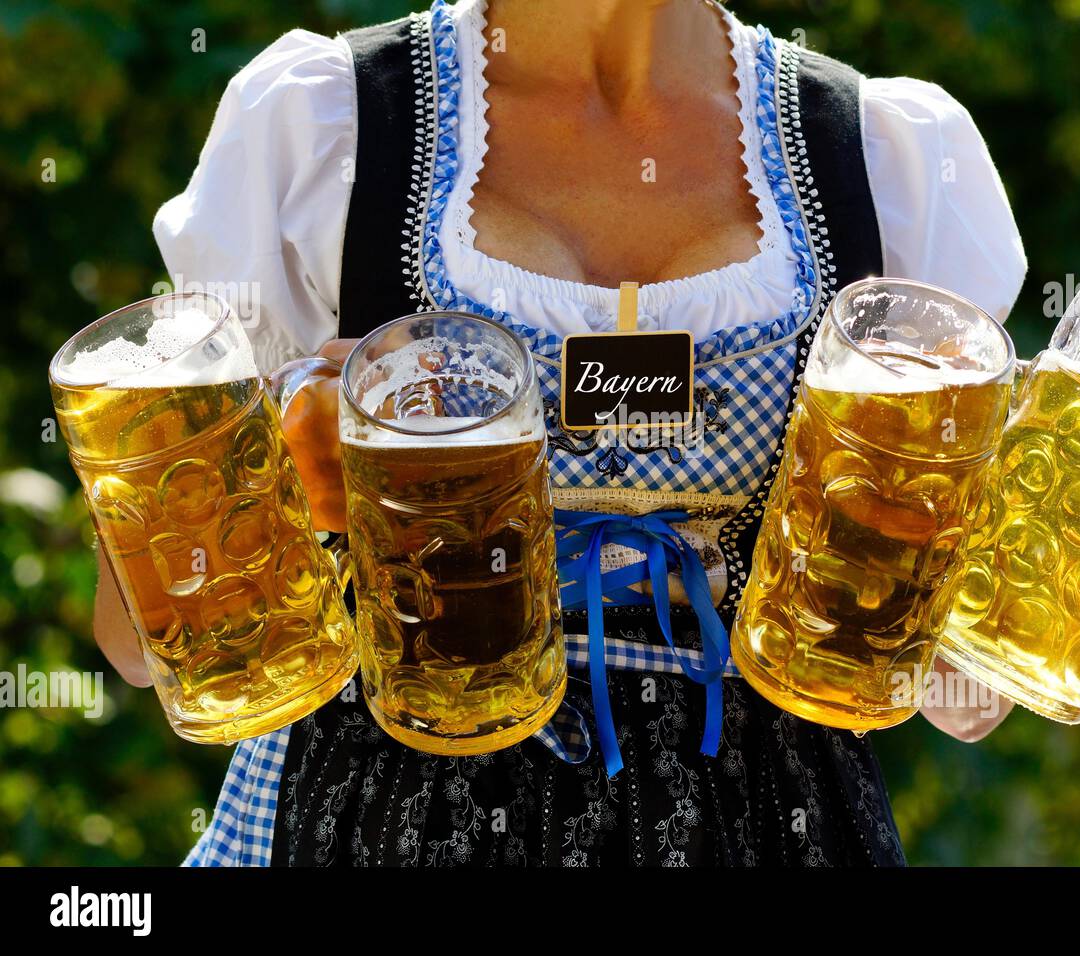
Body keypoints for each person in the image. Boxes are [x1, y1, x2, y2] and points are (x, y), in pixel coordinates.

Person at [94, 0, 1025, 866]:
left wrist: (937, 563)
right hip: (395, 818)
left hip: (771, 827)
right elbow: (141, 644)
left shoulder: (880, 154)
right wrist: (278, 490)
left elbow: (966, 697)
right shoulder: (323, 126)